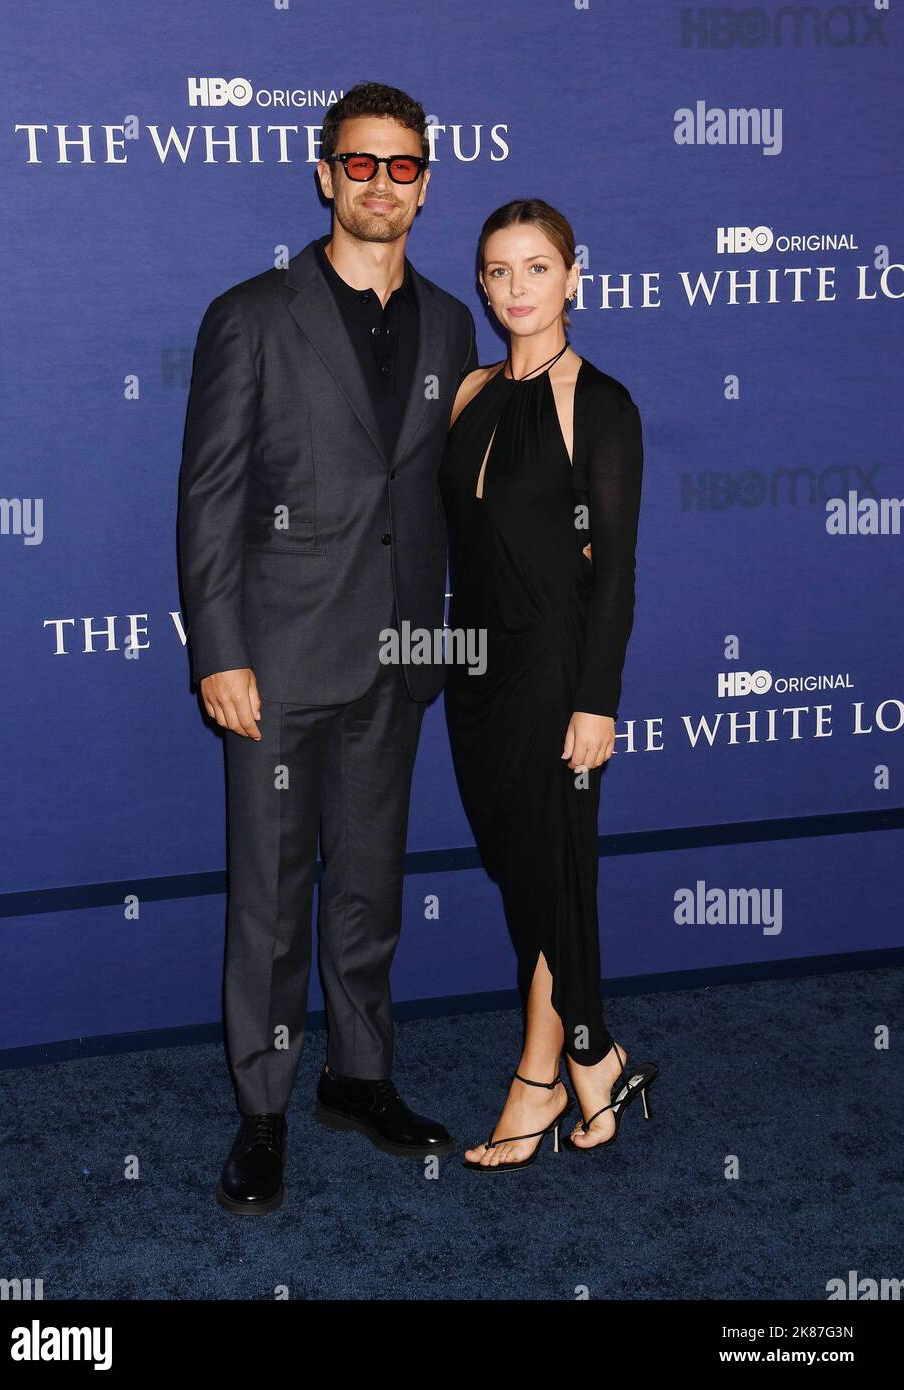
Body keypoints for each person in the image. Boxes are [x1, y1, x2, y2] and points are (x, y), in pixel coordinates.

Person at [177, 82, 478, 1214]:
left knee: (369, 889)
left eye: (403, 166)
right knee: (269, 900)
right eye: (361, 165)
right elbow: (207, 497)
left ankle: (359, 1079)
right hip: (281, 659)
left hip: (398, 656)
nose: (381, 185)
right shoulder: (251, 314)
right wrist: (219, 648)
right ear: (323, 173)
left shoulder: (452, 321)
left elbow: (445, 495)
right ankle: (263, 1112)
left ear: (425, 182)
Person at [439, 199, 657, 1171]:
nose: (515, 288)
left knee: (553, 867)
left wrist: (595, 698)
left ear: (573, 275)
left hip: (556, 665)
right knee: (527, 869)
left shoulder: (595, 401)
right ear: (482, 284)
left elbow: (612, 569)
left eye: (535, 268)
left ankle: (545, 1071)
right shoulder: (470, 391)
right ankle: (594, 1057)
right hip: (474, 664)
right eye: (497, 271)